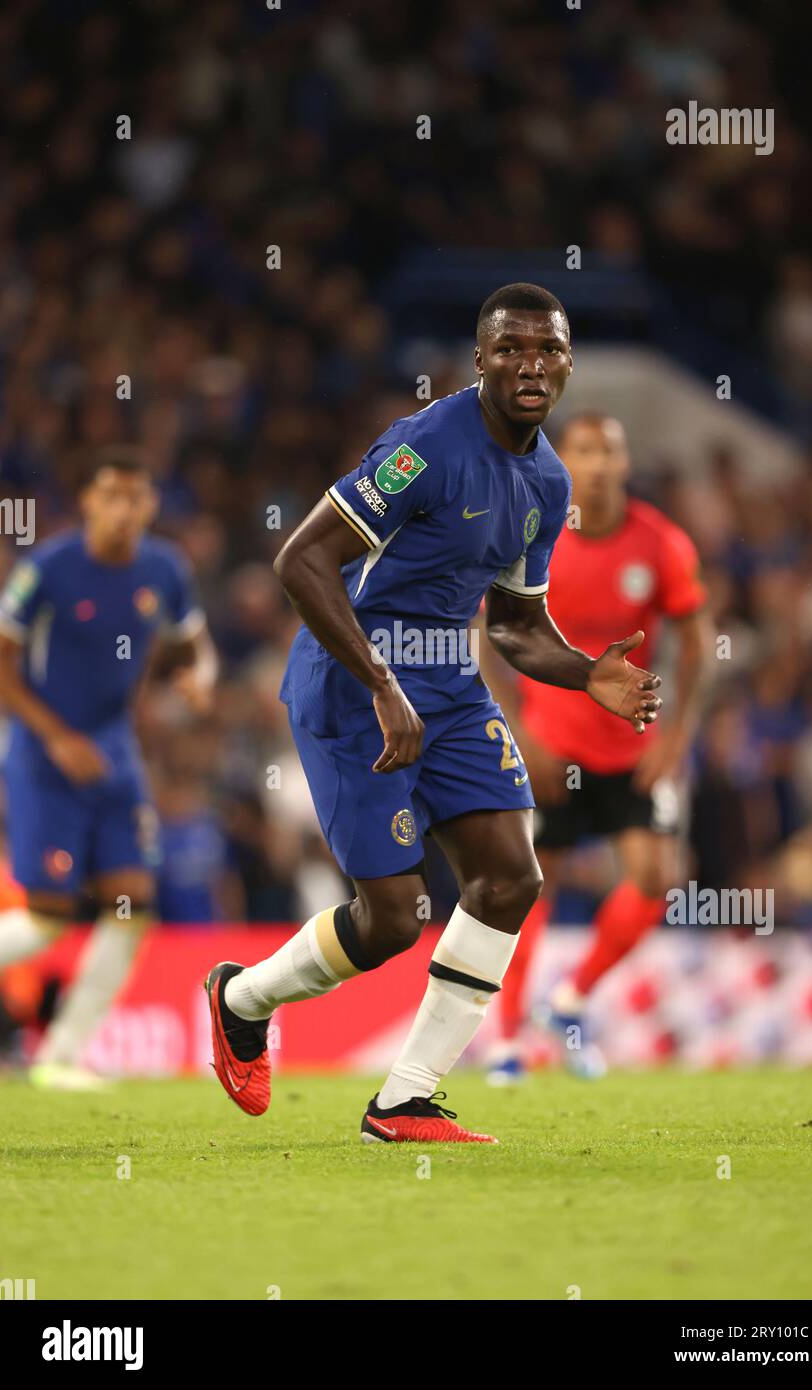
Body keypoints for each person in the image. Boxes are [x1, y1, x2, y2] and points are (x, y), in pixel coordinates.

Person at [205, 284, 662, 1143]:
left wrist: (583, 672)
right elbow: (300, 560)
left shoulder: (547, 480)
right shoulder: (423, 447)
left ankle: (405, 1098)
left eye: (549, 351)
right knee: (391, 922)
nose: (532, 365)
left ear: (566, 363)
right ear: (481, 358)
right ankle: (239, 999)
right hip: (352, 684)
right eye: (512, 349)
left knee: (511, 877)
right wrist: (382, 684)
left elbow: (519, 628)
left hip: (448, 683)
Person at [485, 414, 709, 1084]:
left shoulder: (660, 544)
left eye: (608, 450)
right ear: (565, 460)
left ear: (624, 460)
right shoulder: (534, 533)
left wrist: (677, 735)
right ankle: (507, 1040)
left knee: (652, 881)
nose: (597, 463)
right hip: (552, 748)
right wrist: (520, 731)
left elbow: (697, 641)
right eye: (583, 450)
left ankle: (570, 998)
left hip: (633, 745)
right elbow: (489, 637)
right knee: (525, 890)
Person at [0, 449, 216, 1089]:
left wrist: (197, 680)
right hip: (42, 755)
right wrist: (57, 738)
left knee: (133, 904)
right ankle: (56, 1052)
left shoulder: (164, 570)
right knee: (47, 912)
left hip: (115, 754)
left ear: (150, 505)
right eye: (112, 496)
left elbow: (193, 648)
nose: (125, 510)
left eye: (137, 498)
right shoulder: (49, 569)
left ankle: (61, 1056)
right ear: (90, 501)